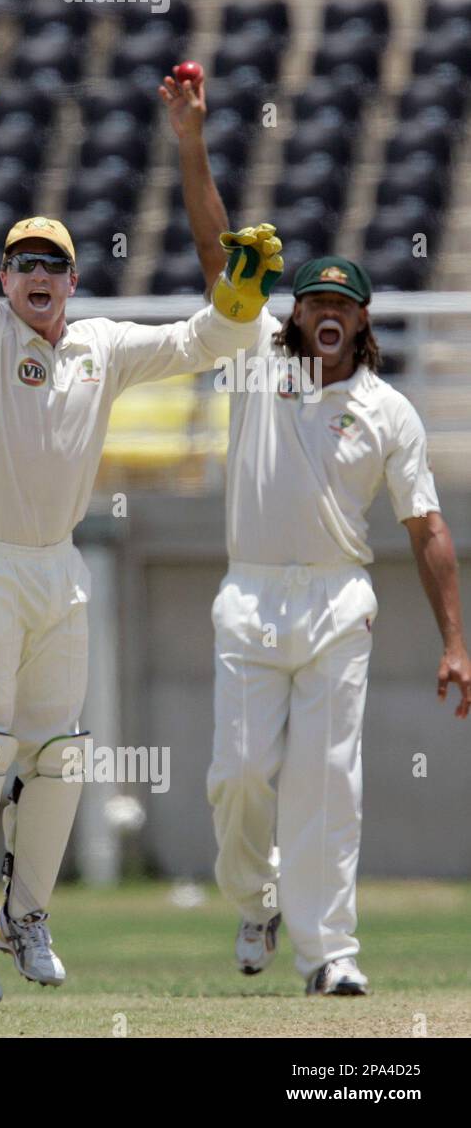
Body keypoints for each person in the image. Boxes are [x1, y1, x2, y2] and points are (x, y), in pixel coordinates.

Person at [0, 63, 283, 1008]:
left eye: (53, 265)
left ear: (74, 280)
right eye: (23, 264)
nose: (38, 277)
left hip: (59, 567)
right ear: (5, 278)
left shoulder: (101, 347)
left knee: (63, 756)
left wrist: (238, 303)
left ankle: (24, 913)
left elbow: (203, 344)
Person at [161, 71, 471, 995]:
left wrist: (456, 640)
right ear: (295, 311)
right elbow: (220, 253)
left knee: (327, 783)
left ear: (363, 319)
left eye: (343, 305)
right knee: (240, 777)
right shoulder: (257, 359)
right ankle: (254, 899)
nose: (326, 315)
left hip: (339, 599)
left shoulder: (388, 411)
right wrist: (190, 141)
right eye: (314, 302)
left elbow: (426, 528)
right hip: (251, 594)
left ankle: (329, 952)